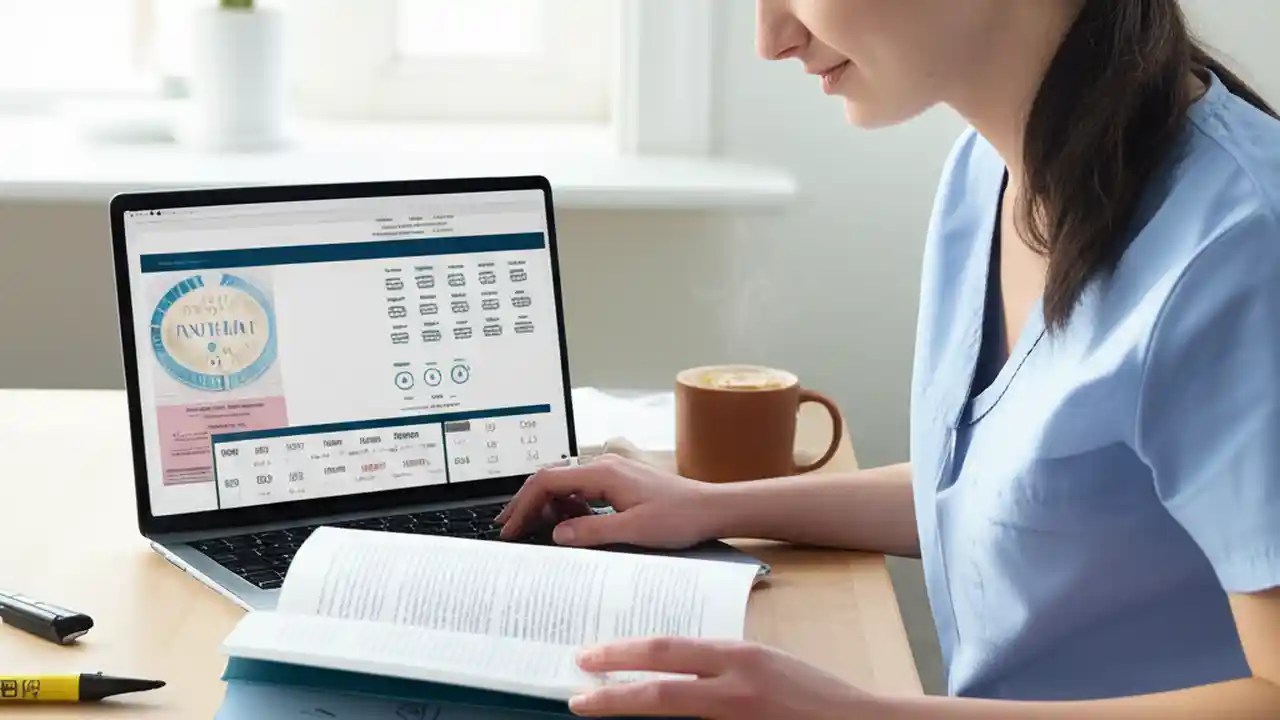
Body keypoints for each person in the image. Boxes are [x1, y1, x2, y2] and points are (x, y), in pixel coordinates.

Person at [497, 0, 1280, 717]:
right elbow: (1013, 496)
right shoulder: (987, 175)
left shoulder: (1242, 250)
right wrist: (706, 506)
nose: (772, 39)